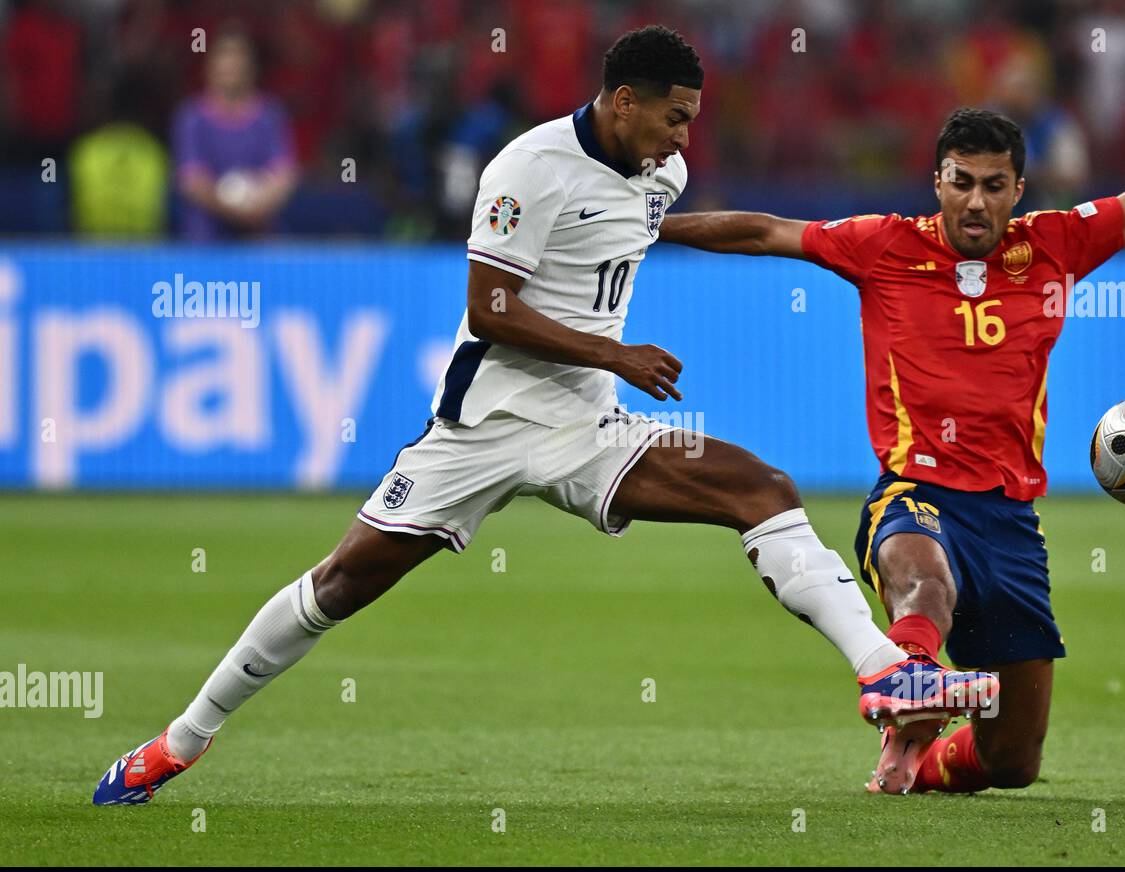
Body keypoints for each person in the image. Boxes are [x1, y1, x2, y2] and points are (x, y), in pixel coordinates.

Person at [93, 25, 995, 806]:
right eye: (675, 114)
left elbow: (641, 225)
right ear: (622, 99)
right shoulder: (526, 168)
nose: (686, 135)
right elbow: (490, 310)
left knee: (758, 487)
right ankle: (181, 739)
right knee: (338, 586)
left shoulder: (660, 169)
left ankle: (883, 671)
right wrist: (618, 353)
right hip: (483, 428)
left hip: (590, 429)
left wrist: (723, 257)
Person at [659, 33, 1125, 795]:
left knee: (1013, 763)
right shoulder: (884, 246)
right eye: (962, 183)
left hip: (1012, 519)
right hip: (914, 492)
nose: (976, 201)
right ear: (937, 182)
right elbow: (762, 230)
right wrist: (643, 229)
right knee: (924, 584)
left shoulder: (1054, 245)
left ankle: (919, 765)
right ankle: (909, 683)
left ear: (1020, 189)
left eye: (994, 184)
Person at [171, 28, 297, 241]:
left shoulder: (269, 116)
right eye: (224, 55)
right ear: (209, 66)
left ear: (252, 65)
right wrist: (233, 209)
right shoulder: (192, 118)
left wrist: (259, 205)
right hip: (206, 240)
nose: (231, 64)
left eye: (238, 55)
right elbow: (191, 179)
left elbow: (284, 174)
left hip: (260, 235)